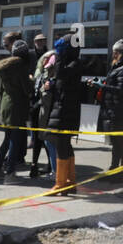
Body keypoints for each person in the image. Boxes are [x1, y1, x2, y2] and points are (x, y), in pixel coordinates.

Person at [0, 34, 34, 181]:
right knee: (15, 140)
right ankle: (10, 173)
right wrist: (31, 80)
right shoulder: (21, 66)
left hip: (6, 105)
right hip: (17, 106)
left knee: (7, 139)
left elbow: (0, 90)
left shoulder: (5, 67)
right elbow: (27, 89)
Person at [45, 37, 83, 193]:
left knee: (62, 145)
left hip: (66, 112)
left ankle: (61, 184)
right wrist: (52, 85)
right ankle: (69, 181)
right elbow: (62, 83)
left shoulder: (74, 64)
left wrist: (59, 58)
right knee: (65, 145)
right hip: (62, 110)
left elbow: (62, 75)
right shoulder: (70, 64)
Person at [96, 39, 123, 177]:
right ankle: (114, 169)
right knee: (116, 143)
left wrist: (103, 86)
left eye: (115, 52)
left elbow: (121, 89)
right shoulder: (116, 67)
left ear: (121, 53)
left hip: (120, 111)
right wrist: (100, 84)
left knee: (121, 143)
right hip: (113, 110)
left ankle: (122, 172)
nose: (113, 55)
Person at [30, 41, 57, 178]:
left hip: (44, 111)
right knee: (38, 139)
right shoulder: (39, 73)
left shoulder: (51, 76)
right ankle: (34, 165)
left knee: (46, 140)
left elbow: (47, 95)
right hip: (37, 110)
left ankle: (51, 166)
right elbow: (36, 91)